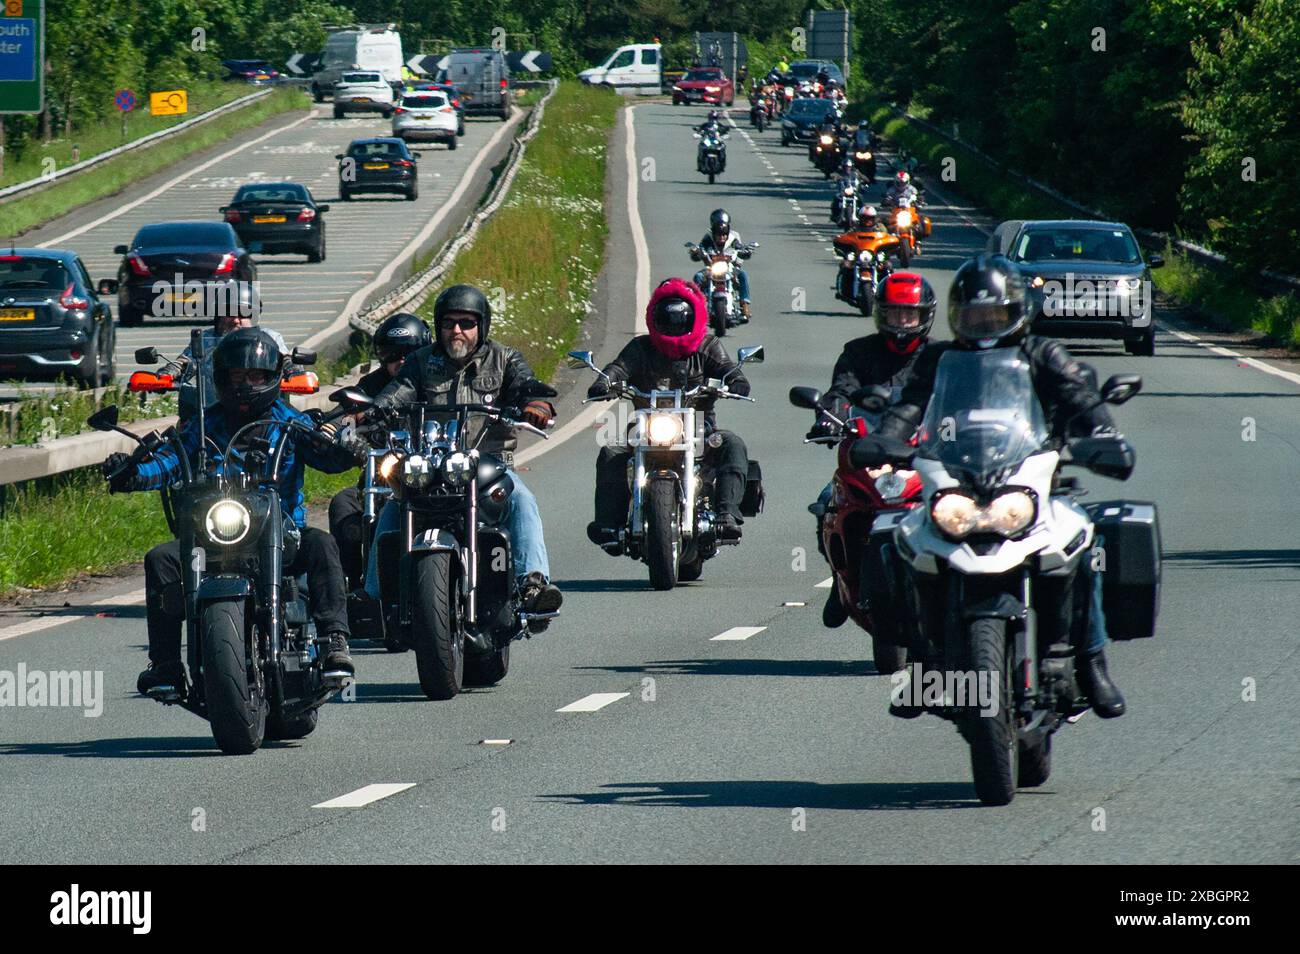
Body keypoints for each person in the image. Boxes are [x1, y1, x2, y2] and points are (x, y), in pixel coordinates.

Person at [871, 254, 1128, 717]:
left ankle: (1091, 662)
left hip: (1028, 479)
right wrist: (885, 438)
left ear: (1018, 311)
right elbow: (910, 404)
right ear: (956, 318)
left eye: (995, 314)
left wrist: (1103, 436)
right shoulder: (939, 359)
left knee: (1083, 542)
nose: (985, 324)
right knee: (898, 542)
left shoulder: (1043, 354)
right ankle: (923, 665)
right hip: (958, 479)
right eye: (974, 316)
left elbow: (1080, 397)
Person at [103, 328, 362, 697]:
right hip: (213, 539)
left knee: (321, 543)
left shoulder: (290, 422)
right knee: (160, 558)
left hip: (281, 536)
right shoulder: (202, 426)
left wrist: (345, 449)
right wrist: (130, 473)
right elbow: (167, 462)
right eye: (236, 376)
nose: (244, 385)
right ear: (221, 379)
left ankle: (334, 641)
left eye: (255, 376)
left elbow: (327, 455)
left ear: (272, 377)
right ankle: (166, 665)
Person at [366, 285, 563, 630]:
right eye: (449, 323)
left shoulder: (505, 359)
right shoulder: (421, 361)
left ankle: (533, 585)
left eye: (466, 323)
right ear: (439, 326)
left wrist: (536, 407)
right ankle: (372, 598)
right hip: (431, 463)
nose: (457, 330)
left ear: (481, 326)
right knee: (392, 507)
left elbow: (528, 388)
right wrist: (371, 412)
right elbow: (397, 393)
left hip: (489, 464)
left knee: (522, 500)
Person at [809, 273, 936, 625]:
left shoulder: (940, 357)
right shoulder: (858, 352)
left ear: (924, 316)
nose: (901, 323)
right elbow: (840, 392)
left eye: (908, 315)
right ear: (881, 314)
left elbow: (963, 399)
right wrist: (829, 417)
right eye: (894, 314)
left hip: (923, 454)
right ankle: (840, 579)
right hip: (868, 453)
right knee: (827, 503)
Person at [586, 278, 751, 548]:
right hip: (645, 426)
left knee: (732, 444)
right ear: (655, 318)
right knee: (611, 452)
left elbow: (728, 368)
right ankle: (609, 523)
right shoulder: (640, 347)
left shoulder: (707, 346)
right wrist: (603, 381)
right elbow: (618, 368)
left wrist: (737, 381)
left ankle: (727, 514)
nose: (673, 327)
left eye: (679, 322)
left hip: (700, 428)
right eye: (667, 321)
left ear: (692, 318)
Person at [327, 312, 431, 587]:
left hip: (433, 480)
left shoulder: (437, 382)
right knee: (343, 504)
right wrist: (342, 428)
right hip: (382, 479)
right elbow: (344, 414)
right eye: (391, 354)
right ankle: (353, 584)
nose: (400, 361)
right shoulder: (372, 385)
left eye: (408, 353)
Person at [171, 311, 290, 420]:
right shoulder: (203, 339)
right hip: (212, 409)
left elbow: (285, 359)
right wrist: (172, 370)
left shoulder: (269, 336)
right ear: (219, 316)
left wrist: (292, 369)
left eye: (243, 314)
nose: (236, 320)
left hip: (268, 412)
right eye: (229, 314)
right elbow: (186, 361)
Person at [691, 209, 752, 321]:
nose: (721, 237)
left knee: (743, 275)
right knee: (698, 277)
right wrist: (696, 252)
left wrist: (746, 251)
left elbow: (740, 248)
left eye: (724, 234)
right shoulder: (708, 238)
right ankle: (695, 307)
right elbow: (701, 248)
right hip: (711, 268)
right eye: (719, 234)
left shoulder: (734, 237)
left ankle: (745, 306)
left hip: (730, 268)